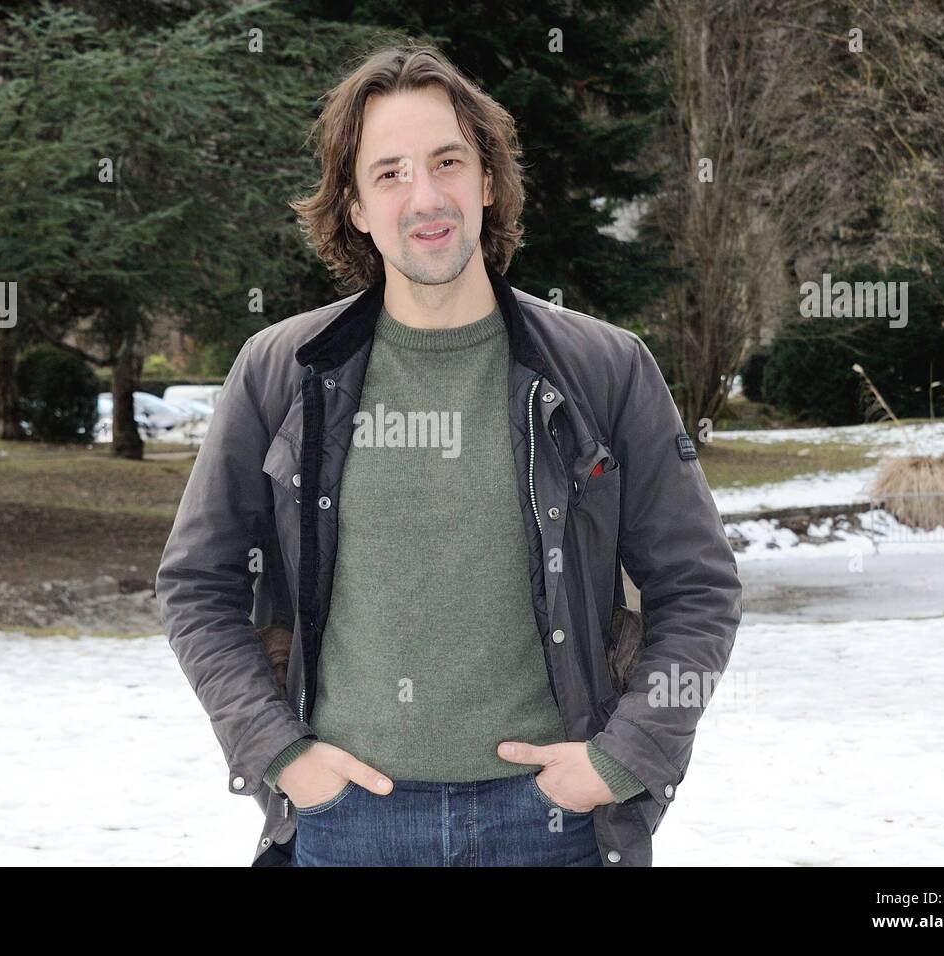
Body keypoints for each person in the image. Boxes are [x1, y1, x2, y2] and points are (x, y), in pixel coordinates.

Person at [156, 43, 742, 867]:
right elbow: (196, 583)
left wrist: (623, 760)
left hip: (552, 828)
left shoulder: (605, 369)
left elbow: (698, 585)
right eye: (389, 173)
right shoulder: (282, 372)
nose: (425, 197)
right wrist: (282, 756)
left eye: (447, 162)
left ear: (489, 180)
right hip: (349, 825)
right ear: (354, 206)